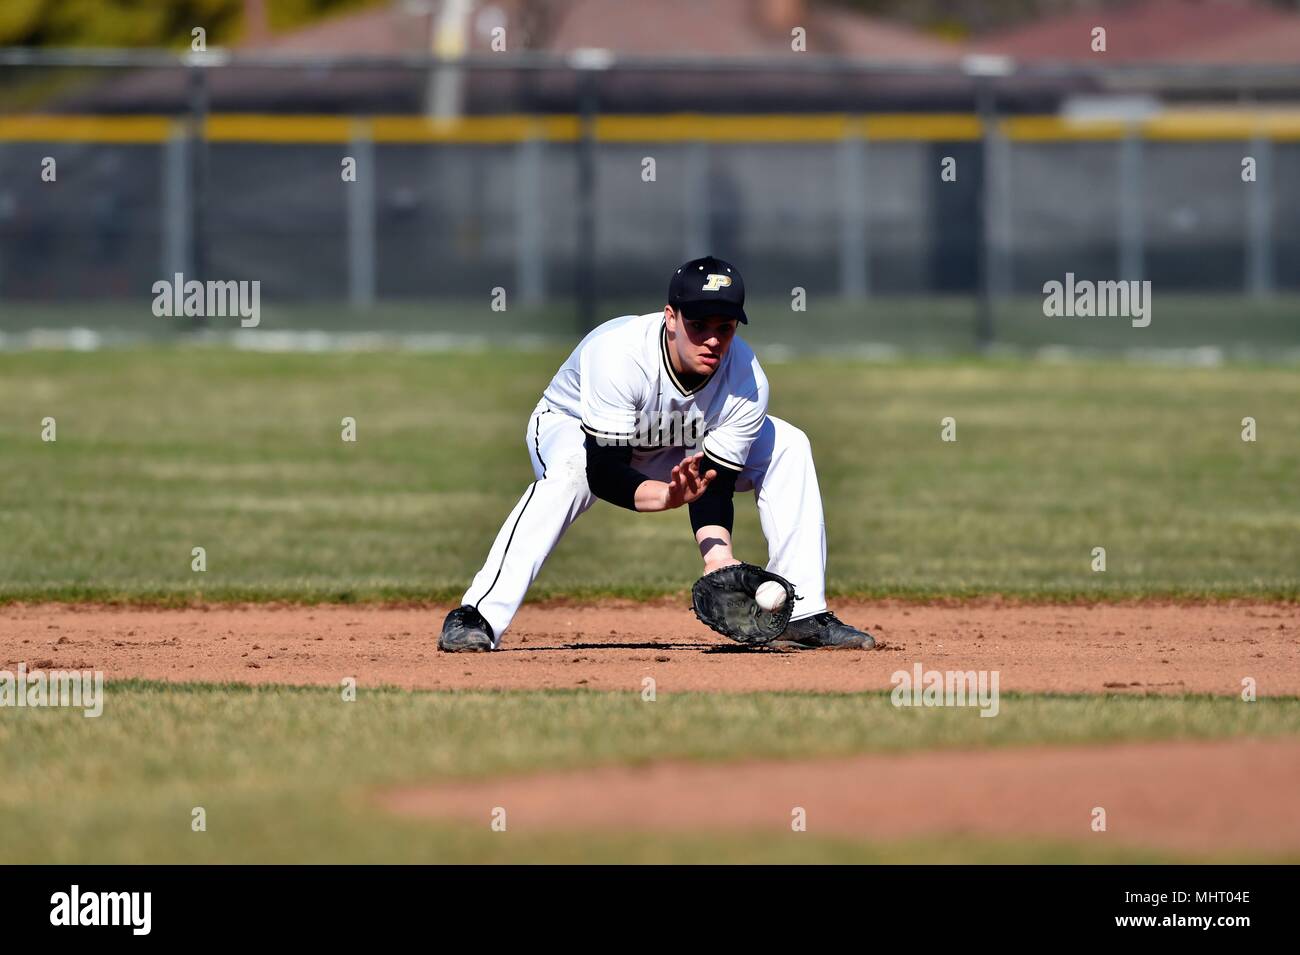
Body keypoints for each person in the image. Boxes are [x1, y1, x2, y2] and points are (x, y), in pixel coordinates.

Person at [439, 255, 875, 652]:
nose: (712, 340)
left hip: (676, 440)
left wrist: (717, 557)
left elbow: (713, 481)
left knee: (789, 444)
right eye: (698, 325)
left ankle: (802, 613)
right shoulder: (619, 355)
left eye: (724, 328)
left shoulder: (746, 379)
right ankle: (476, 615)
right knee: (570, 473)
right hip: (574, 429)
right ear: (671, 316)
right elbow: (604, 471)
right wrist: (667, 495)